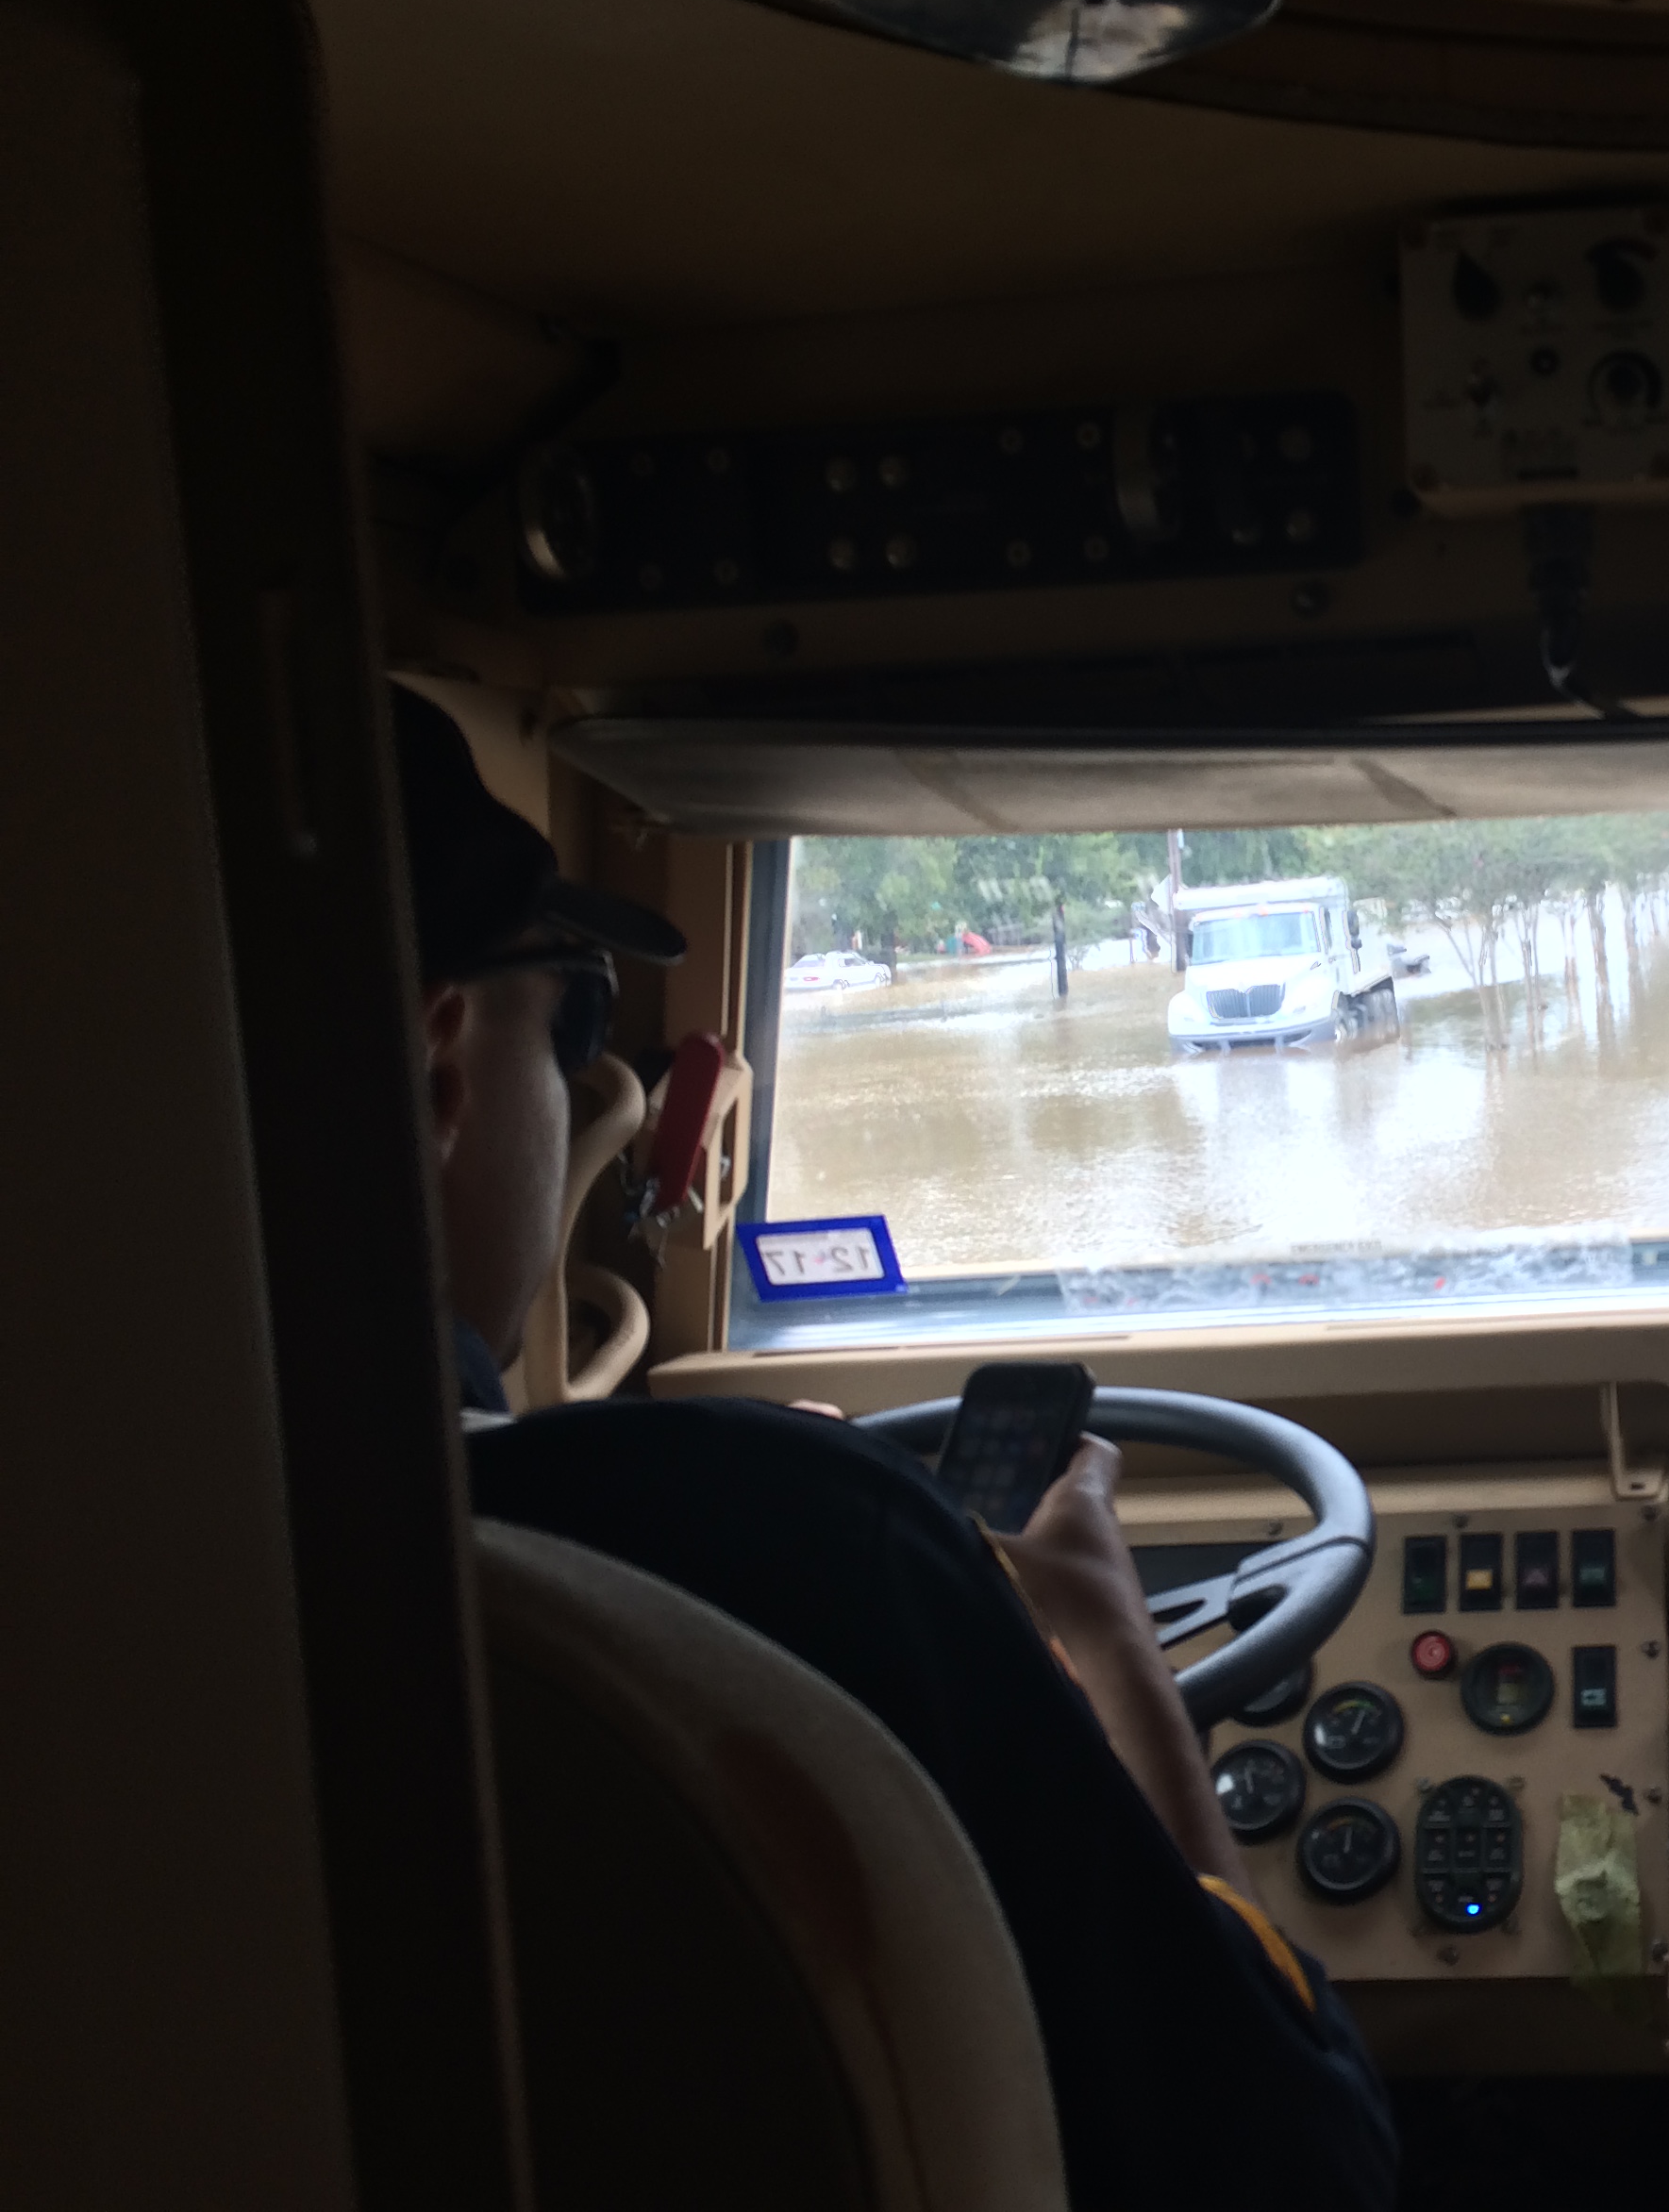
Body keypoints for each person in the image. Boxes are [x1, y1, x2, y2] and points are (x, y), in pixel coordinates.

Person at [392, 687, 1397, 2211]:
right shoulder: (797, 1549)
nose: (589, 1084)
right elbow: (1297, 2171)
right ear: (444, 1067)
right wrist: (1107, 1640)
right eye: (576, 1019)